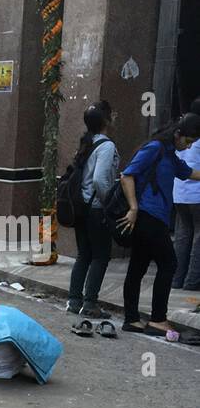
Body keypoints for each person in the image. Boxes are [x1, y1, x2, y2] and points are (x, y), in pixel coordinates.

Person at [117, 111, 200, 335]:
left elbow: (188, 172)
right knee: (169, 263)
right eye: (188, 141)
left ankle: (132, 319)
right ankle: (157, 319)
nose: (190, 146)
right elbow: (127, 175)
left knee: (138, 267)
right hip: (147, 215)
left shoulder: (170, 153)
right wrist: (134, 207)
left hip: (156, 217)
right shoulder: (155, 148)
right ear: (178, 134)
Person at [66, 105, 120, 318]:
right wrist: (109, 202)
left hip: (81, 207)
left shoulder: (87, 142)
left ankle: (74, 300)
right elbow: (99, 179)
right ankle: (89, 304)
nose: (115, 116)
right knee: (100, 256)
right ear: (106, 121)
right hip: (96, 209)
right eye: (112, 114)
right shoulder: (106, 146)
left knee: (84, 255)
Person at [171, 99, 200, 292]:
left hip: (179, 193)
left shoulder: (180, 133)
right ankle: (192, 281)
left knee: (182, 236)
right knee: (198, 237)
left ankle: (176, 279)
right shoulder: (197, 135)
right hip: (197, 194)